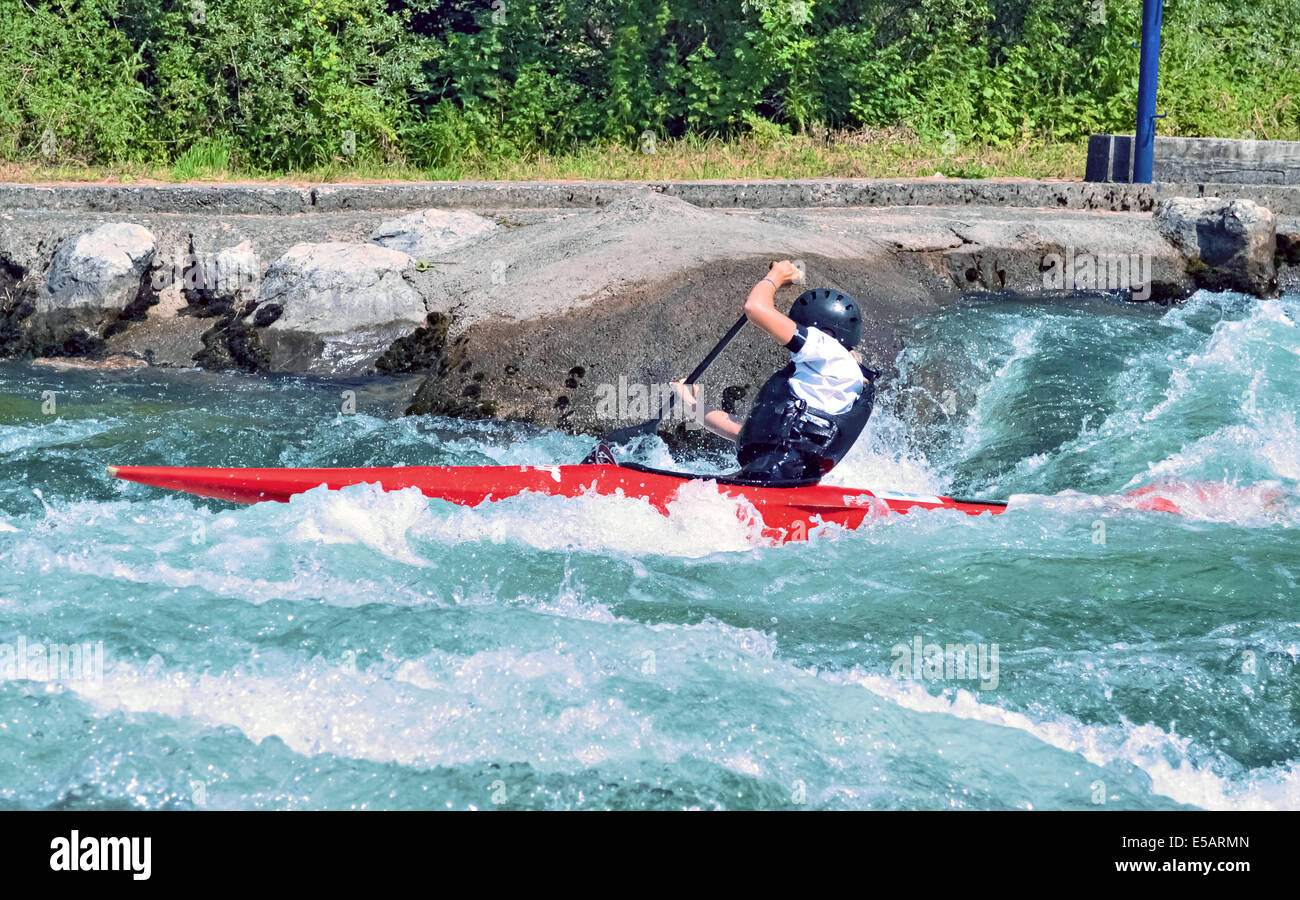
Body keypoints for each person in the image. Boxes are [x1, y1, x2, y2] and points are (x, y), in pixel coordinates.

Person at [671, 261, 877, 483]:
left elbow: (755, 309)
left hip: (771, 476)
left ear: (823, 331)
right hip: (785, 479)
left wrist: (777, 275)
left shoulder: (827, 349)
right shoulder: (828, 382)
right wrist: (691, 402)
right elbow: (743, 431)